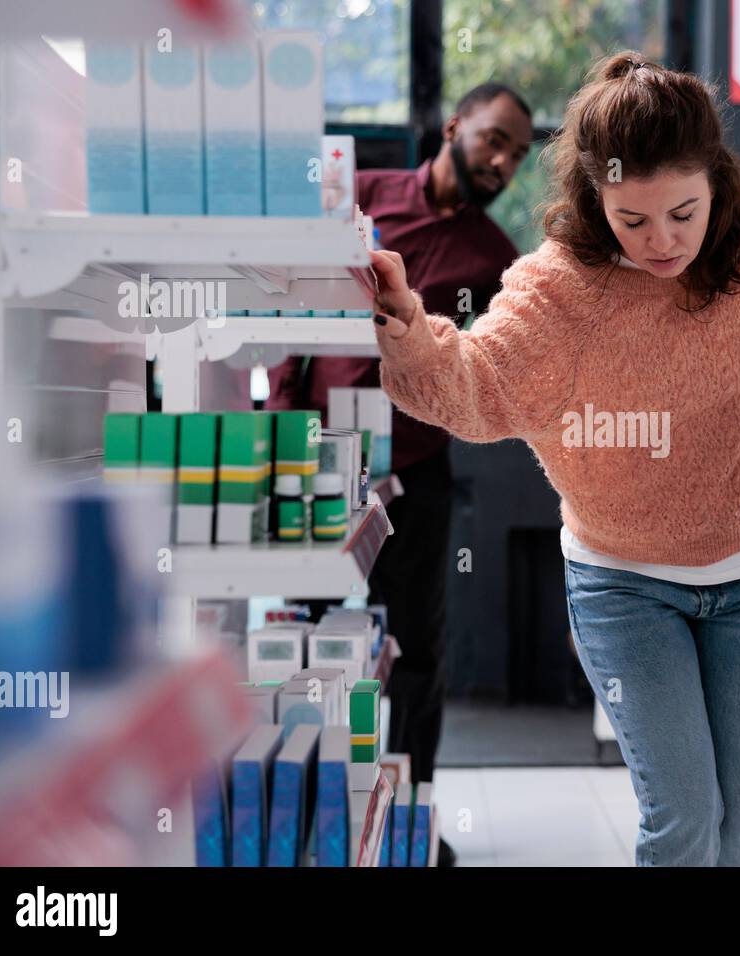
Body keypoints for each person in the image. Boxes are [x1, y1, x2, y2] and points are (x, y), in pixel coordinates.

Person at [366, 52, 740, 866]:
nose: (663, 241)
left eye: (684, 213)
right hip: (624, 584)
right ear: (595, 197)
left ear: (717, 183)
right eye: (633, 219)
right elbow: (471, 389)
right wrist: (408, 329)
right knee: (684, 818)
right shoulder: (558, 291)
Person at [265, 82, 535, 867]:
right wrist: (286, 409)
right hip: (319, 455)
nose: (504, 160)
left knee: (416, 654)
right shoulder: (363, 196)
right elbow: (290, 300)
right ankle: (303, 819)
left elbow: (490, 356)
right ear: (454, 128)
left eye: (517, 153)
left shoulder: (494, 255)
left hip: (417, 468)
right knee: (307, 644)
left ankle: (406, 827)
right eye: (493, 140)